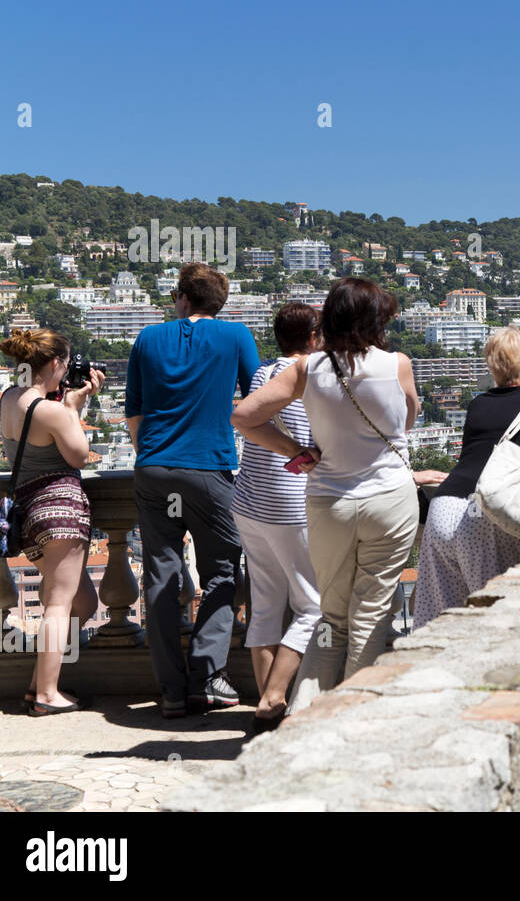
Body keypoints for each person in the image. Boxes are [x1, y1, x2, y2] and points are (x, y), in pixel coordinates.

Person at [231, 278, 443, 713]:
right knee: (372, 612)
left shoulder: (307, 369)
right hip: (388, 499)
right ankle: (352, 714)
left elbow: (243, 416)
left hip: (329, 501)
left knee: (332, 616)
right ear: (375, 319)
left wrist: (295, 450)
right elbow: (408, 421)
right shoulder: (397, 363)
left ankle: (302, 714)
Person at [126, 263, 260, 719]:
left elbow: (134, 416)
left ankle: (172, 691)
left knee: (160, 579)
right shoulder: (236, 337)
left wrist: (155, 456)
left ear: (182, 297)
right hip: (211, 468)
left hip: (154, 469)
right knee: (222, 570)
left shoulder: (147, 339)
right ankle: (208, 677)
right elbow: (258, 402)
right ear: (218, 303)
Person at [413, 326, 520, 630]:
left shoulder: (478, 404)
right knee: (498, 625)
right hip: (486, 520)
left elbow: (480, 461)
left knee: (440, 628)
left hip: (443, 509)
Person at [0, 330, 105, 715]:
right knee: (59, 605)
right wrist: (76, 405)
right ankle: (47, 694)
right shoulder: (53, 410)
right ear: (57, 363)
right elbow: (78, 455)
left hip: (27, 511)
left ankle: (35, 686)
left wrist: (70, 404)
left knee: (84, 601)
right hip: (59, 508)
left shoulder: (9, 398)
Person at [228, 303, 323, 733]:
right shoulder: (311, 379)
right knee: (313, 606)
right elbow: (315, 440)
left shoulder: (262, 373)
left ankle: (268, 713)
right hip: (291, 504)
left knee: (265, 605)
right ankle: (274, 697)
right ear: (315, 336)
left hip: (249, 502)